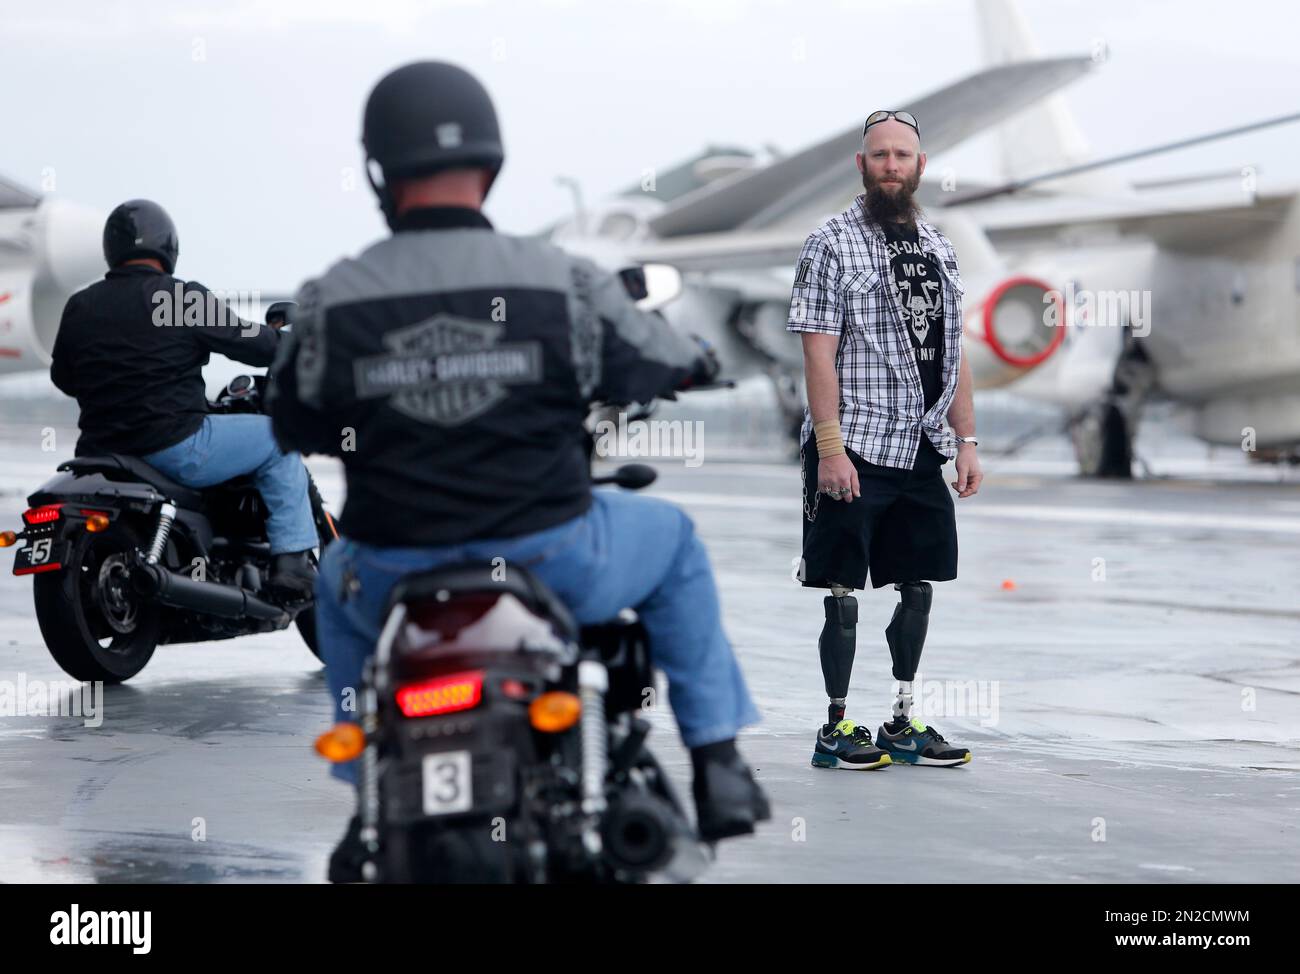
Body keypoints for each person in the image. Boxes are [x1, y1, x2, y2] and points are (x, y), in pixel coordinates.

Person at [267, 61, 769, 881]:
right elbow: (652, 359)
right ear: (491, 164)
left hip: (393, 562)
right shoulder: (562, 280)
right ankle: (718, 763)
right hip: (556, 552)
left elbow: (293, 421)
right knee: (674, 541)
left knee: (334, 583)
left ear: (378, 173)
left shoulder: (332, 300)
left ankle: (367, 796)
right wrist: (697, 358)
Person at [787, 110, 982, 770]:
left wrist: (968, 440)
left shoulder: (939, 245)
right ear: (862, 166)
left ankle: (901, 721)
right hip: (857, 443)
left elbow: (954, 353)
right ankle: (836, 727)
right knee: (841, 591)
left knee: (917, 583)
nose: (892, 165)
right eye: (880, 155)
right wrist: (831, 447)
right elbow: (819, 352)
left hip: (922, 446)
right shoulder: (831, 243)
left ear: (920, 165)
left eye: (903, 154)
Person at [50, 199, 317, 595]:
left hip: (102, 451)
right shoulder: (178, 299)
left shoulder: (80, 305)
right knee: (278, 439)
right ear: (167, 246)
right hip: (174, 445)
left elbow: (65, 378)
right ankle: (293, 564)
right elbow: (249, 342)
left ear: (113, 248)